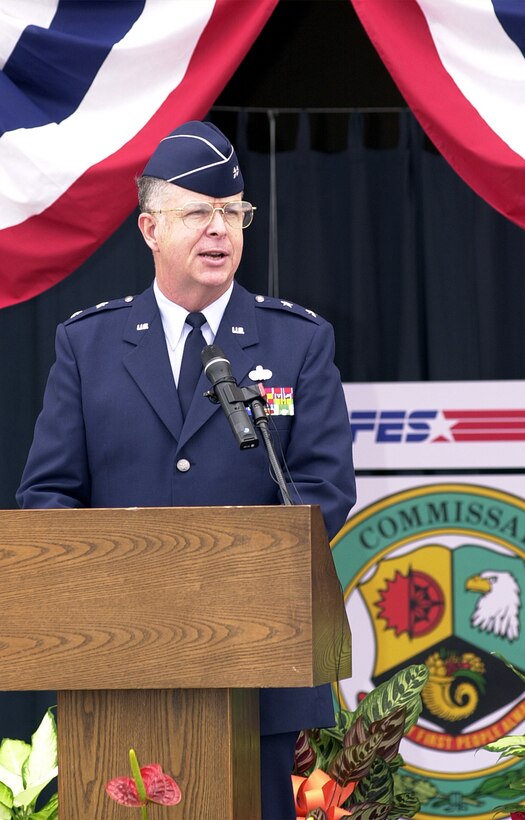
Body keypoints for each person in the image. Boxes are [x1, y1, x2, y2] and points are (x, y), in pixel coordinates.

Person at [17, 120, 356, 818]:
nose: (219, 231)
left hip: (256, 677)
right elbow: (47, 495)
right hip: (114, 668)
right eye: (198, 213)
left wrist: (224, 577)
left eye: (232, 213)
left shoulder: (297, 341)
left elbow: (324, 489)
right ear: (149, 229)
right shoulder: (89, 344)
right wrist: (131, 582)